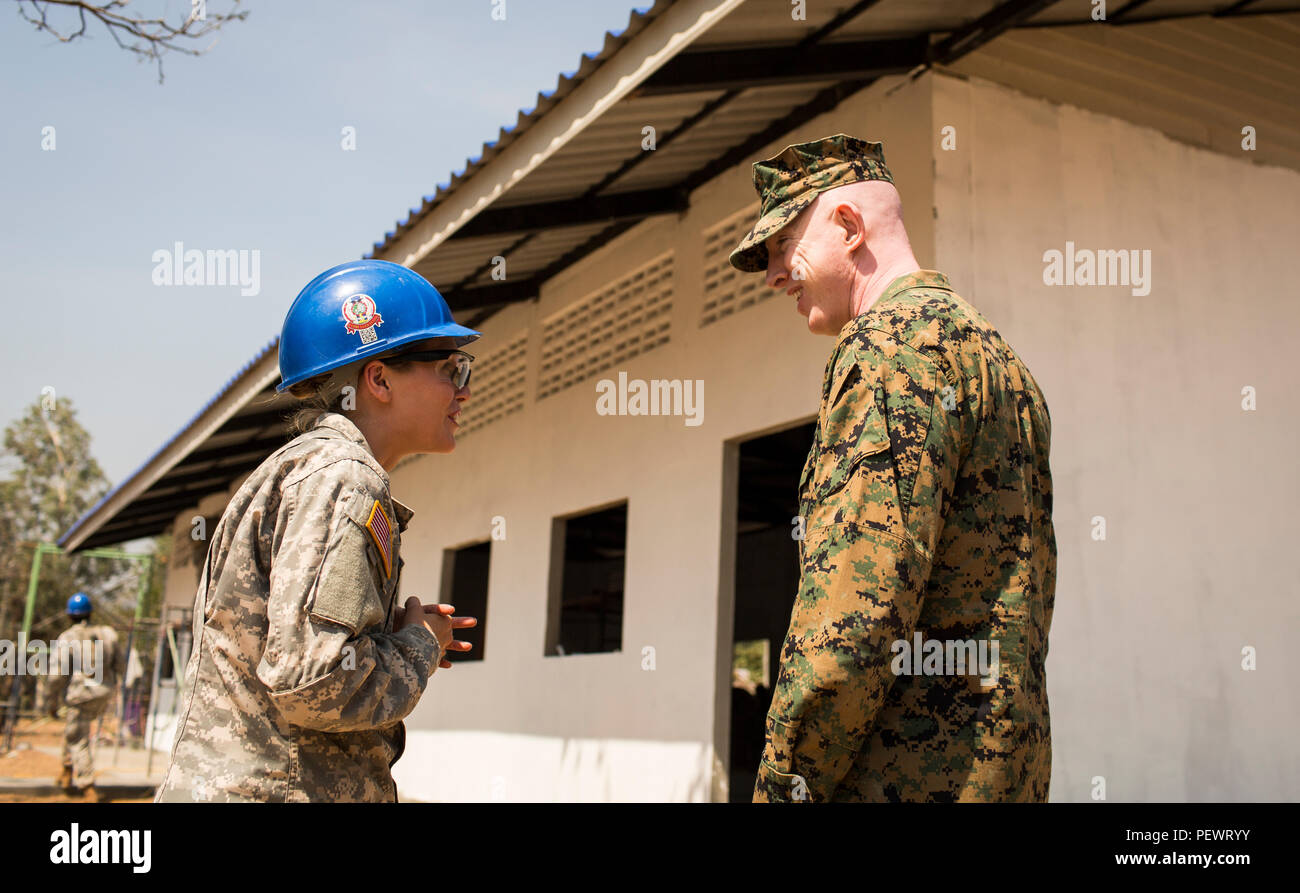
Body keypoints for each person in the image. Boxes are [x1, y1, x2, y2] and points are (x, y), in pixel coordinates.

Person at [729, 134, 1056, 802]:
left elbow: (849, 625)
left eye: (783, 246)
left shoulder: (885, 351)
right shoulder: (1001, 360)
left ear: (848, 226)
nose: (772, 275)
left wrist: (781, 788)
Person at [155, 259, 479, 802]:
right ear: (378, 379)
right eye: (451, 368)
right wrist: (421, 644)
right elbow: (314, 683)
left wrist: (386, 640)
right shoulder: (344, 479)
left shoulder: (312, 472)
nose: (463, 390)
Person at [47, 592, 122, 802]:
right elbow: (120, 666)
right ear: (91, 613)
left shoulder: (68, 637)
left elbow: (56, 675)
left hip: (82, 695)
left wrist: (50, 701)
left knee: (77, 737)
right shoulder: (108, 633)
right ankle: (66, 770)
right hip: (104, 693)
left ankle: (87, 785)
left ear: (69, 616)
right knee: (73, 729)